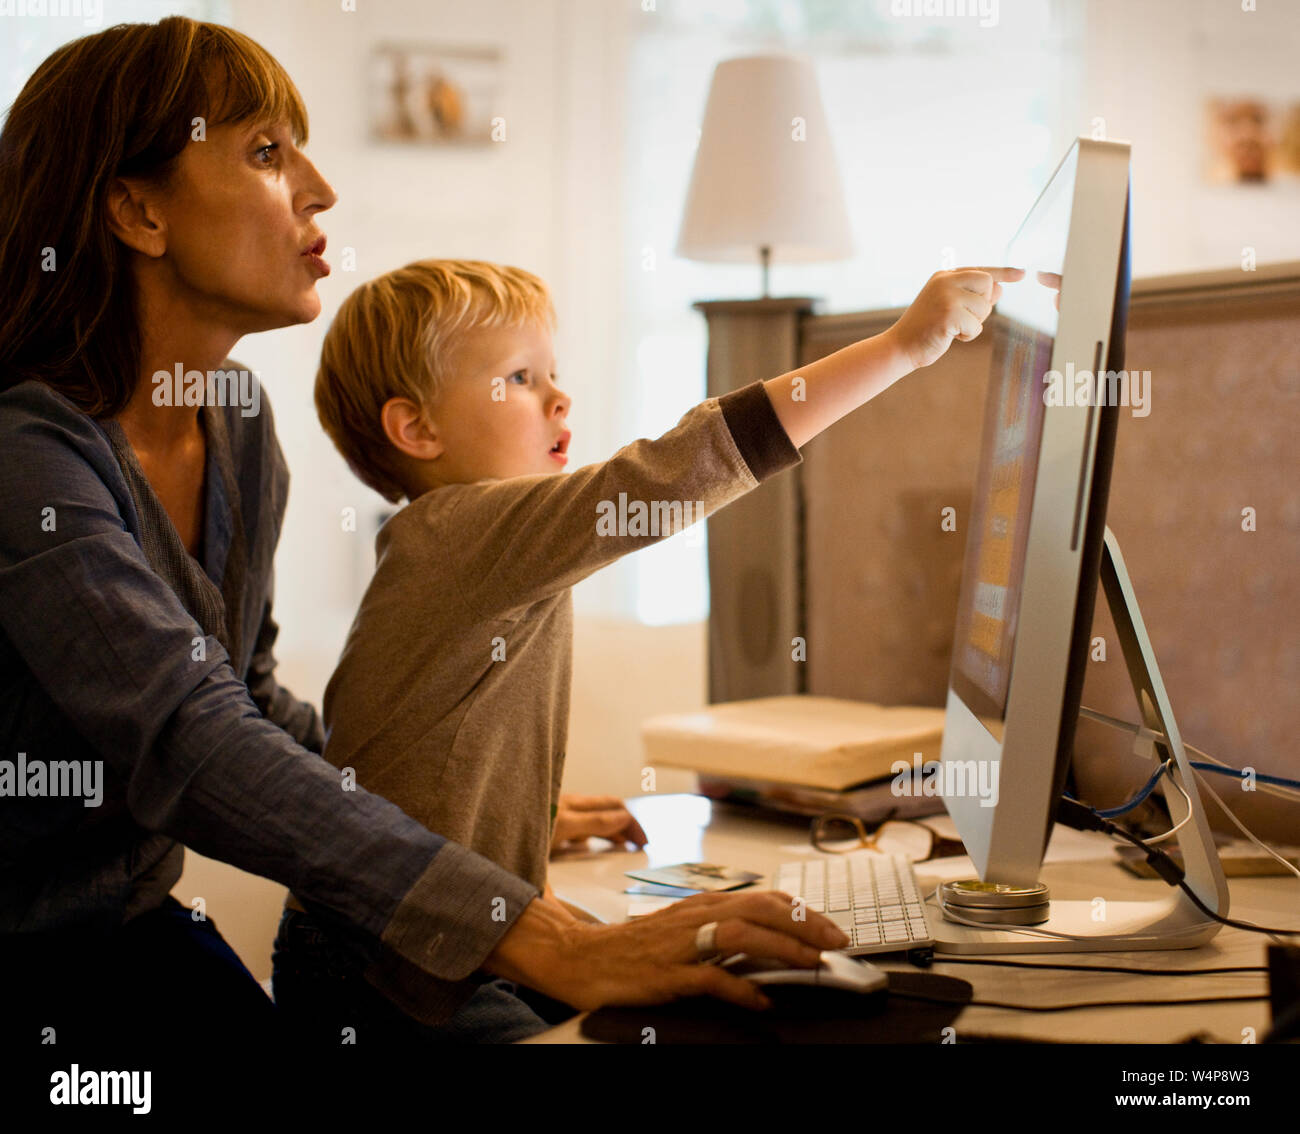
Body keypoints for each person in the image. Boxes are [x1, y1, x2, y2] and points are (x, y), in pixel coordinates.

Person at [0, 16, 864, 1053]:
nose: (319, 190)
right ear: (136, 210)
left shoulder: (230, 421)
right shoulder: (24, 458)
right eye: (267, 153)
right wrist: (534, 931)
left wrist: (423, 815)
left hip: (132, 935)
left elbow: (247, 695)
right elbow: (190, 738)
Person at [285, 252, 1015, 1043]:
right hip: (380, 979)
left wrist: (508, 817)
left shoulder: (465, 545)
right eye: (521, 378)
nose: (561, 395)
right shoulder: (457, 530)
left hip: (406, 944)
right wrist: (903, 346)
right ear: (416, 428)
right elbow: (666, 478)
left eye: (552, 371)